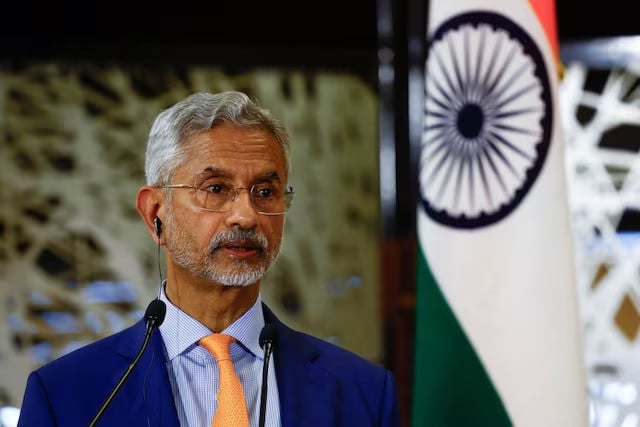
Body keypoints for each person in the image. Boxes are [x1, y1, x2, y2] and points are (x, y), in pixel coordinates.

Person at [17, 91, 401, 426]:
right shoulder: (68, 396)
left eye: (266, 191)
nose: (246, 216)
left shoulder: (362, 391)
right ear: (155, 213)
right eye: (215, 188)